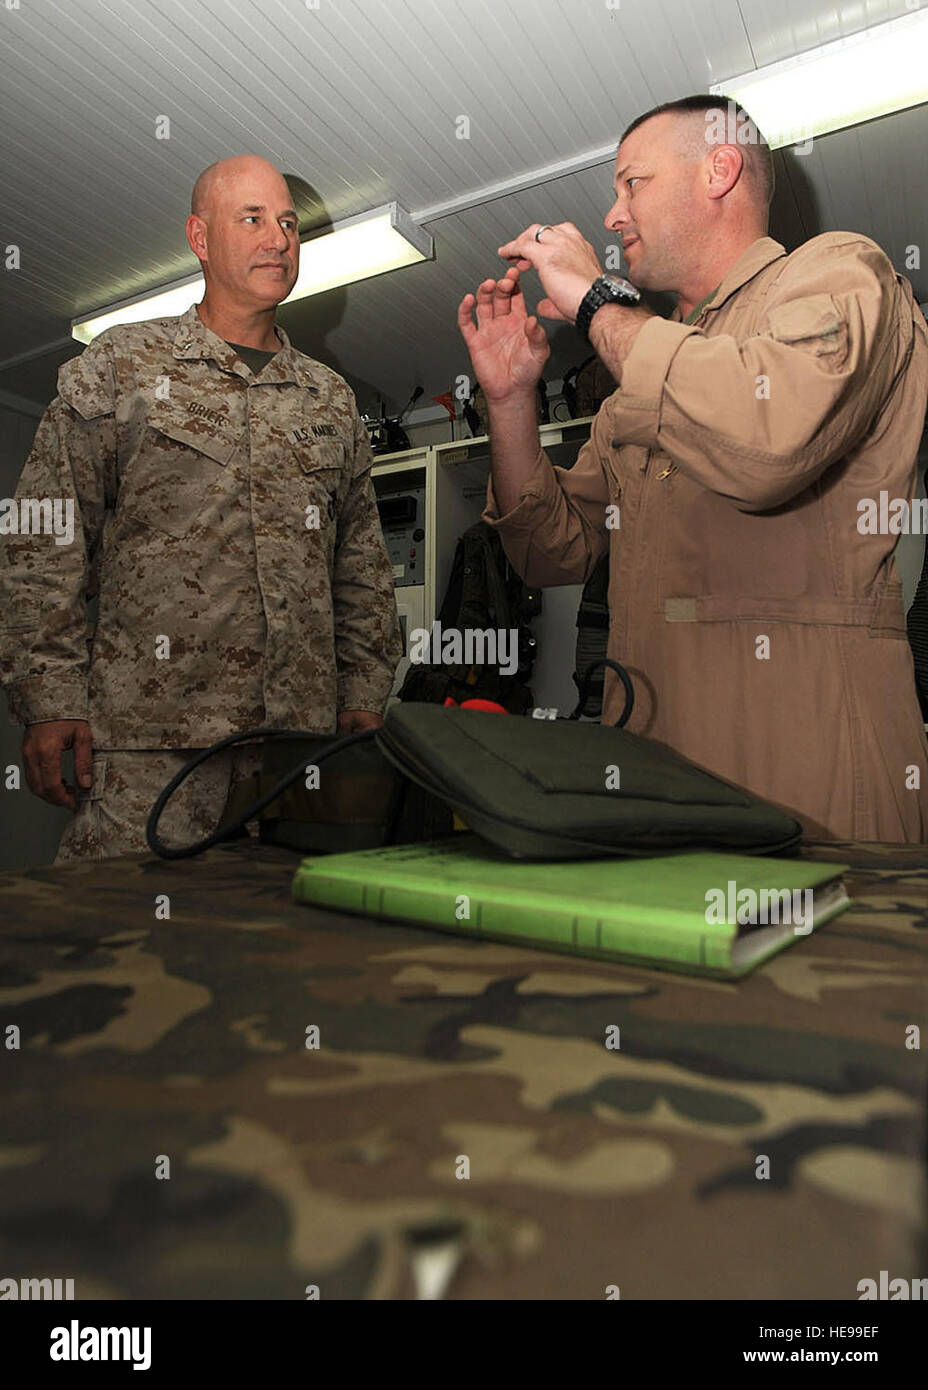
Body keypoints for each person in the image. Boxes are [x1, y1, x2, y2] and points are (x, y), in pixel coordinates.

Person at [458, 95, 928, 842]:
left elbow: (767, 439)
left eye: (631, 184)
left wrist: (599, 302)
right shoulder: (642, 371)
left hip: (811, 782)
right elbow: (549, 551)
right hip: (652, 775)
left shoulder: (839, 271)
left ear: (719, 170)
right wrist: (511, 403)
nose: (613, 215)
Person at [0, 155, 402, 860]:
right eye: (253, 218)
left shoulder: (330, 399)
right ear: (200, 236)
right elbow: (44, 534)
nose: (279, 238)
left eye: (287, 223)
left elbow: (360, 566)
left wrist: (363, 692)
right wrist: (50, 695)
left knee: (284, 948)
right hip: (152, 747)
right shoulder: (123, 367)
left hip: (296, 751)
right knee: (123, 944)